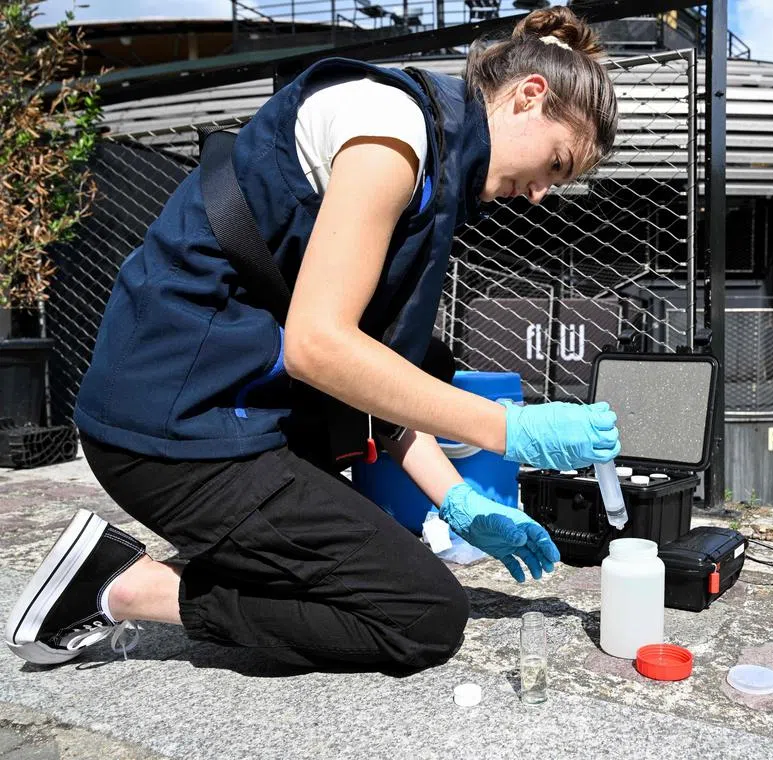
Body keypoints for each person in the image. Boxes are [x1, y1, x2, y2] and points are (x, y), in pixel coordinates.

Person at [4, 7, 620, 672]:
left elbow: (366, 373)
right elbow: (319, 348)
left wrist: (459, 499)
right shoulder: (393, 132)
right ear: (529, 94)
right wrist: (509, 429)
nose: (541, 195)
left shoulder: (432, 154)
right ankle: (125, 588)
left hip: (214, 418)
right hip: (171, 434)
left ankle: (209, 560)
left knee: (368, 568)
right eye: (557, 163)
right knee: (420, 616)